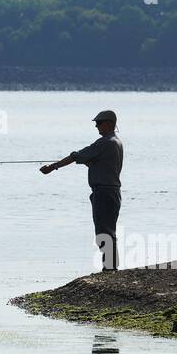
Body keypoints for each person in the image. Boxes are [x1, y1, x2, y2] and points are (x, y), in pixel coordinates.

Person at [40, 110, 124, 271]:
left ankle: (110, 268)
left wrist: (52, 167)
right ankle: (111, 267)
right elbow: (94, 162)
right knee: (107, 229)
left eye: (99, 123)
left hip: (104, 192)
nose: (96, 126)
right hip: (110, 192)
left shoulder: (106, 142)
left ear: (109, 123)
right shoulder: (115, 142)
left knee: (104, 230)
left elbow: (76, 156)